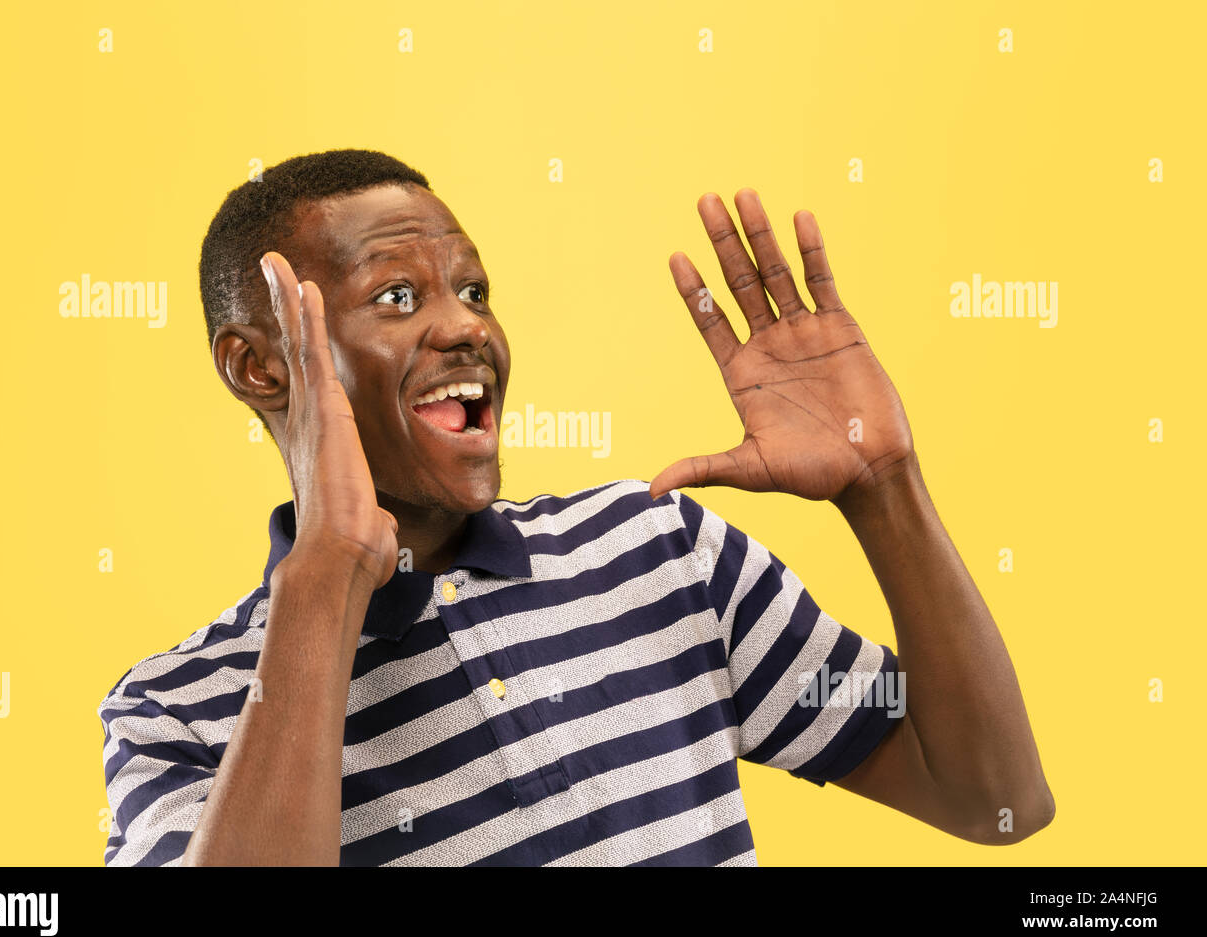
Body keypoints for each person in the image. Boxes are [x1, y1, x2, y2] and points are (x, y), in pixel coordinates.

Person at [98, 149, 1054, 866]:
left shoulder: (659, 550)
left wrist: (884, 487)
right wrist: (326, 575)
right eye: (397, 295)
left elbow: (997, 802)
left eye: (473, 290)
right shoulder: (174, 715)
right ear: (258, 366)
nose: (467, 324)